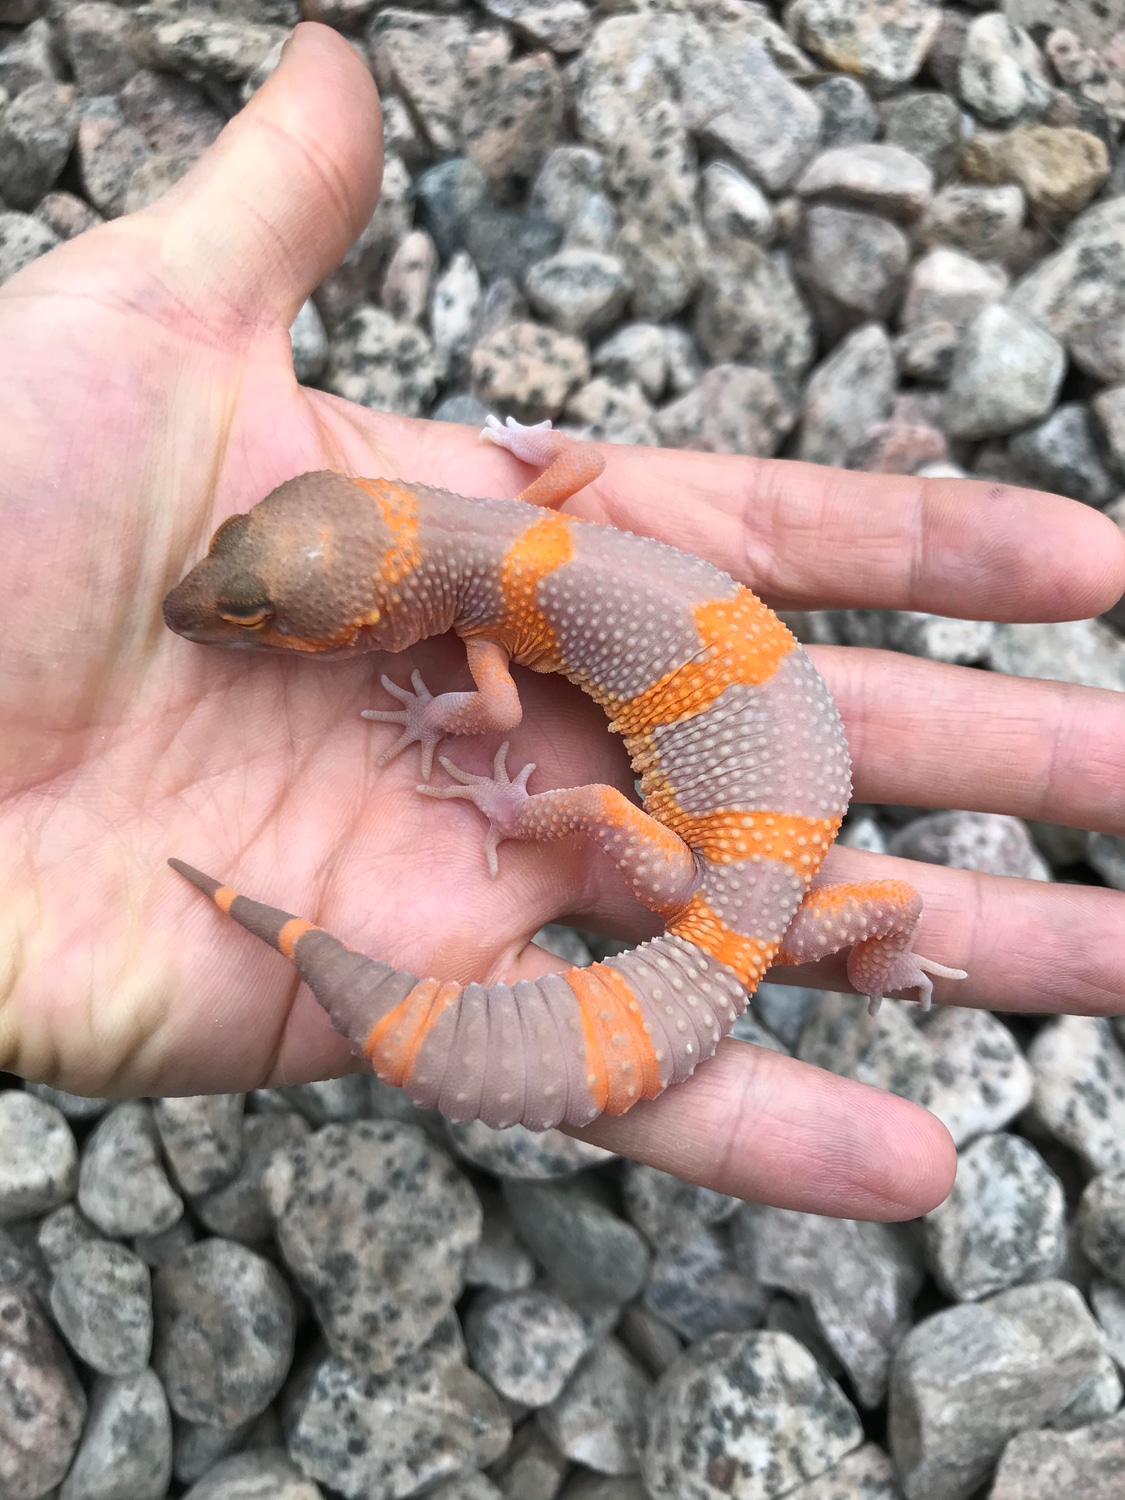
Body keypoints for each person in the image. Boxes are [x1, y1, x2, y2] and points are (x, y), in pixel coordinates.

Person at [1, 24, 1122, 1221]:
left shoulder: (498, 631)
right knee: (864, 903)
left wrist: (502, 798)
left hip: (725, 887)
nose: (232, 625)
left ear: (377, 618)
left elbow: (524, 742)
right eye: (252, 602)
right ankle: (882, 963)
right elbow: (575, 470)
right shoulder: (523, 538)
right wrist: (886, 964)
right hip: (770, 828)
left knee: (602, 811)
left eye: (263, 622)